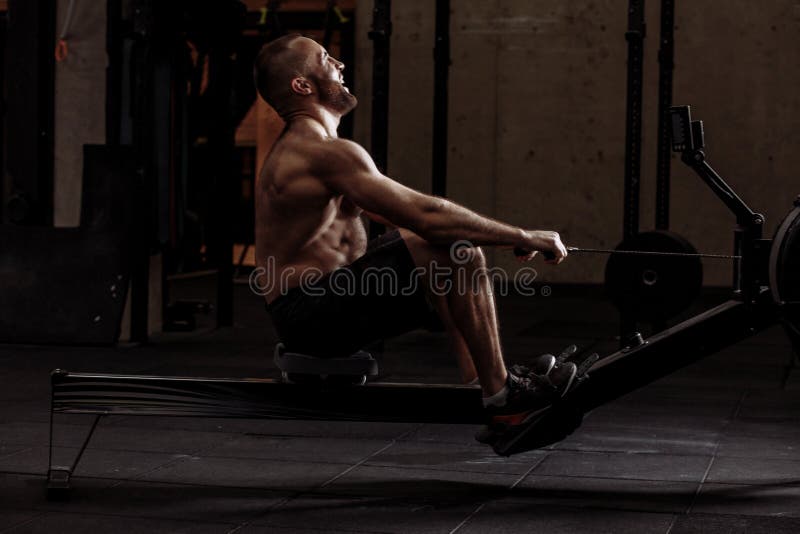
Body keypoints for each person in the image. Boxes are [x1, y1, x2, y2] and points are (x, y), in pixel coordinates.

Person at [252, 34, 578, 447]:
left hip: (313, 307)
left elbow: (401, 218)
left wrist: (479, 235)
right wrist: (521, 235)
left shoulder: (315, 152)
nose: (340, 64)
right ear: (302, 85)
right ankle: (504, 398)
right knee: (453, 248)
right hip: (310, 315)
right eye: (325, 58)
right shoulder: (320, 153)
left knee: (436, 246)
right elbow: (429, 216)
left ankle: (484, 381)